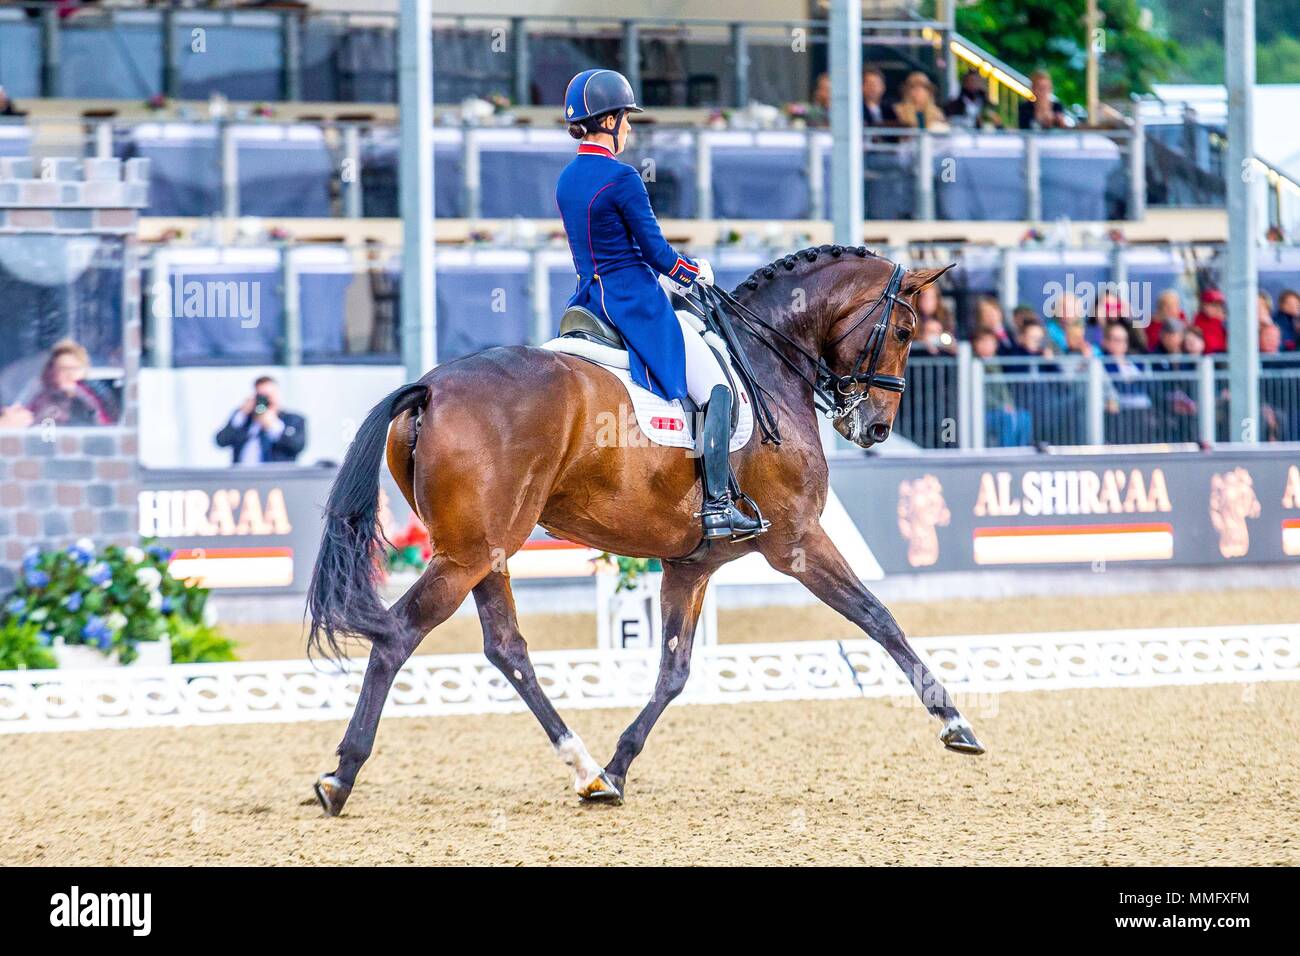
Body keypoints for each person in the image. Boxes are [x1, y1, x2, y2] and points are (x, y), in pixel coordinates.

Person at [556, 69, 763, 541]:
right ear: (607, 120)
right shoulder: (622, 177)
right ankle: (717, 505)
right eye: (625, 118)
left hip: (590, 297)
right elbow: (655, 254)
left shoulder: (567, 178)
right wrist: (696, 274)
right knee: (716, 388)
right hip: (634, 300)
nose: (628, 127)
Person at [215, 375, 306, 465]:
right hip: (243, 476)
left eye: (268, 396)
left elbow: (296, 446)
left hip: (278, 476)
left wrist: (273, 426)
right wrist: (241, 415)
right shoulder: (244, 420)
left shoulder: (293, 419)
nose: (265, 401)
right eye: (261, 397)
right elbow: (221, 441)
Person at [21, 339, 112, 427]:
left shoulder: (92, 394)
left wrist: (80, 397)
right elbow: (24, 421)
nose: (69, 374)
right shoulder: (39, 394)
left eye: (74, 369)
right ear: (50, 371)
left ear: (84, 371)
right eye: (62, 369)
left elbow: (104, 423)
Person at [1192, 288, 1228, 354]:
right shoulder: (1198, 319)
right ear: (1204, 305)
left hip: (1223, 355)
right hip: (1206, 356)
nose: (1217, 308)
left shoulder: (1223, 320)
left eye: (1219, 305)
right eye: (1214, 305)